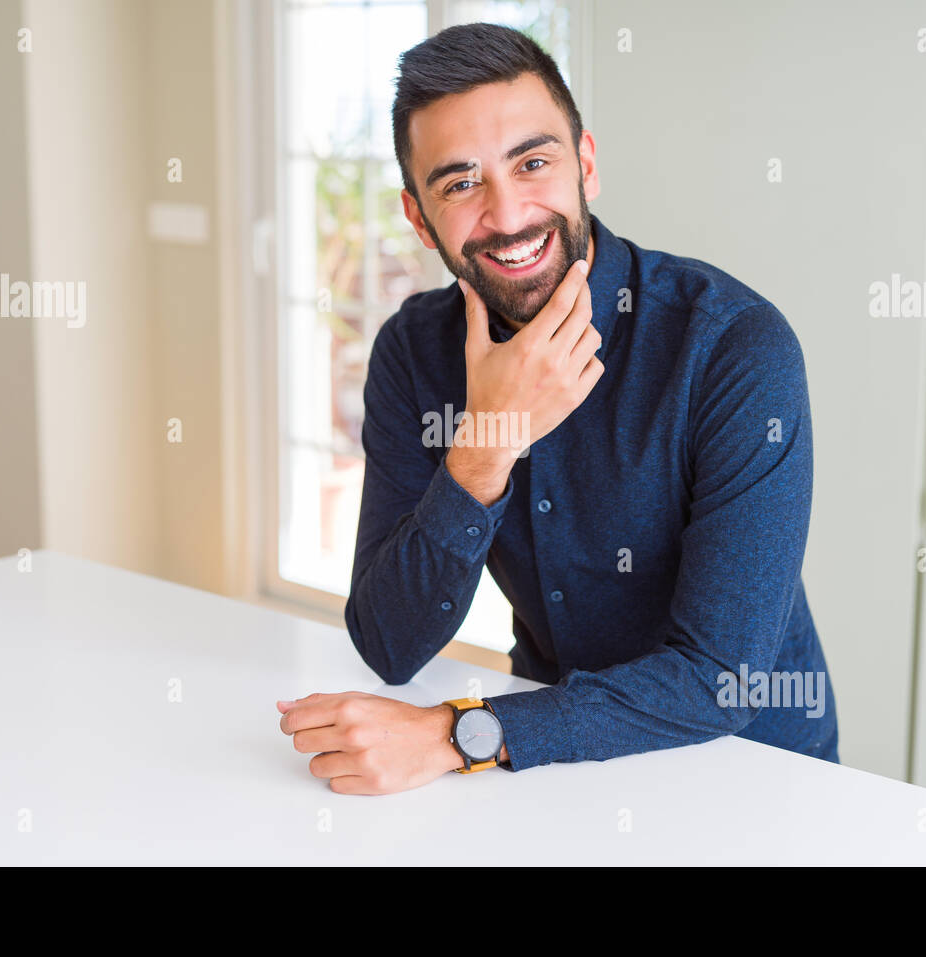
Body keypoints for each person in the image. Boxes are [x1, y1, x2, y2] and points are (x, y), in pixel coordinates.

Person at [278, 22, 838, 795]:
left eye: (533, 163)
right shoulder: (414, 352)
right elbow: (388, 642)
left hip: (750, 774)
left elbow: (723, 678)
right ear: (418, 216)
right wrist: (487, 441)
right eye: (461, 182)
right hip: (549, 774)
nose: (508, 216)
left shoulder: (734, 346)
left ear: (586, 165)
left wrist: (459, 732)